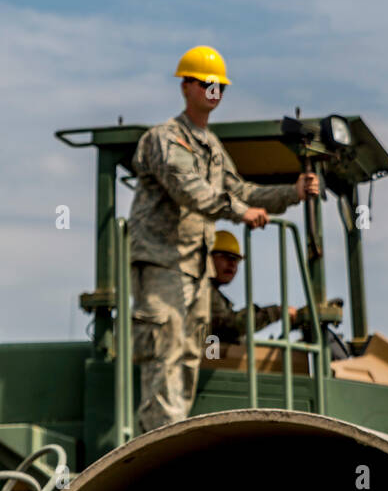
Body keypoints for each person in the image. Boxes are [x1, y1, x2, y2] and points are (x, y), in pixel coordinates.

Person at [128, 45, 319, 433]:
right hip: (164, 265)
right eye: (206, 84)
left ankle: (168, 444)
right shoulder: (164, 139)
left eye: (220, 87)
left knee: (186, 359)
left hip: (195, 273)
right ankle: (155, 450)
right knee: (164, 359)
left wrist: (292, 192)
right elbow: (190, 191)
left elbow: (243, 191)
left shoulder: (212, 147)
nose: (214, 92)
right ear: (186, 87)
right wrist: (238, 212)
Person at [208, 230, 297, 343]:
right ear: (208, 257)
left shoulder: (211, 293)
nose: (232, 264)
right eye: (226, 257)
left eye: (236, 260)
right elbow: (230, 325)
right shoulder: (203, 292)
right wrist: (276, 312)